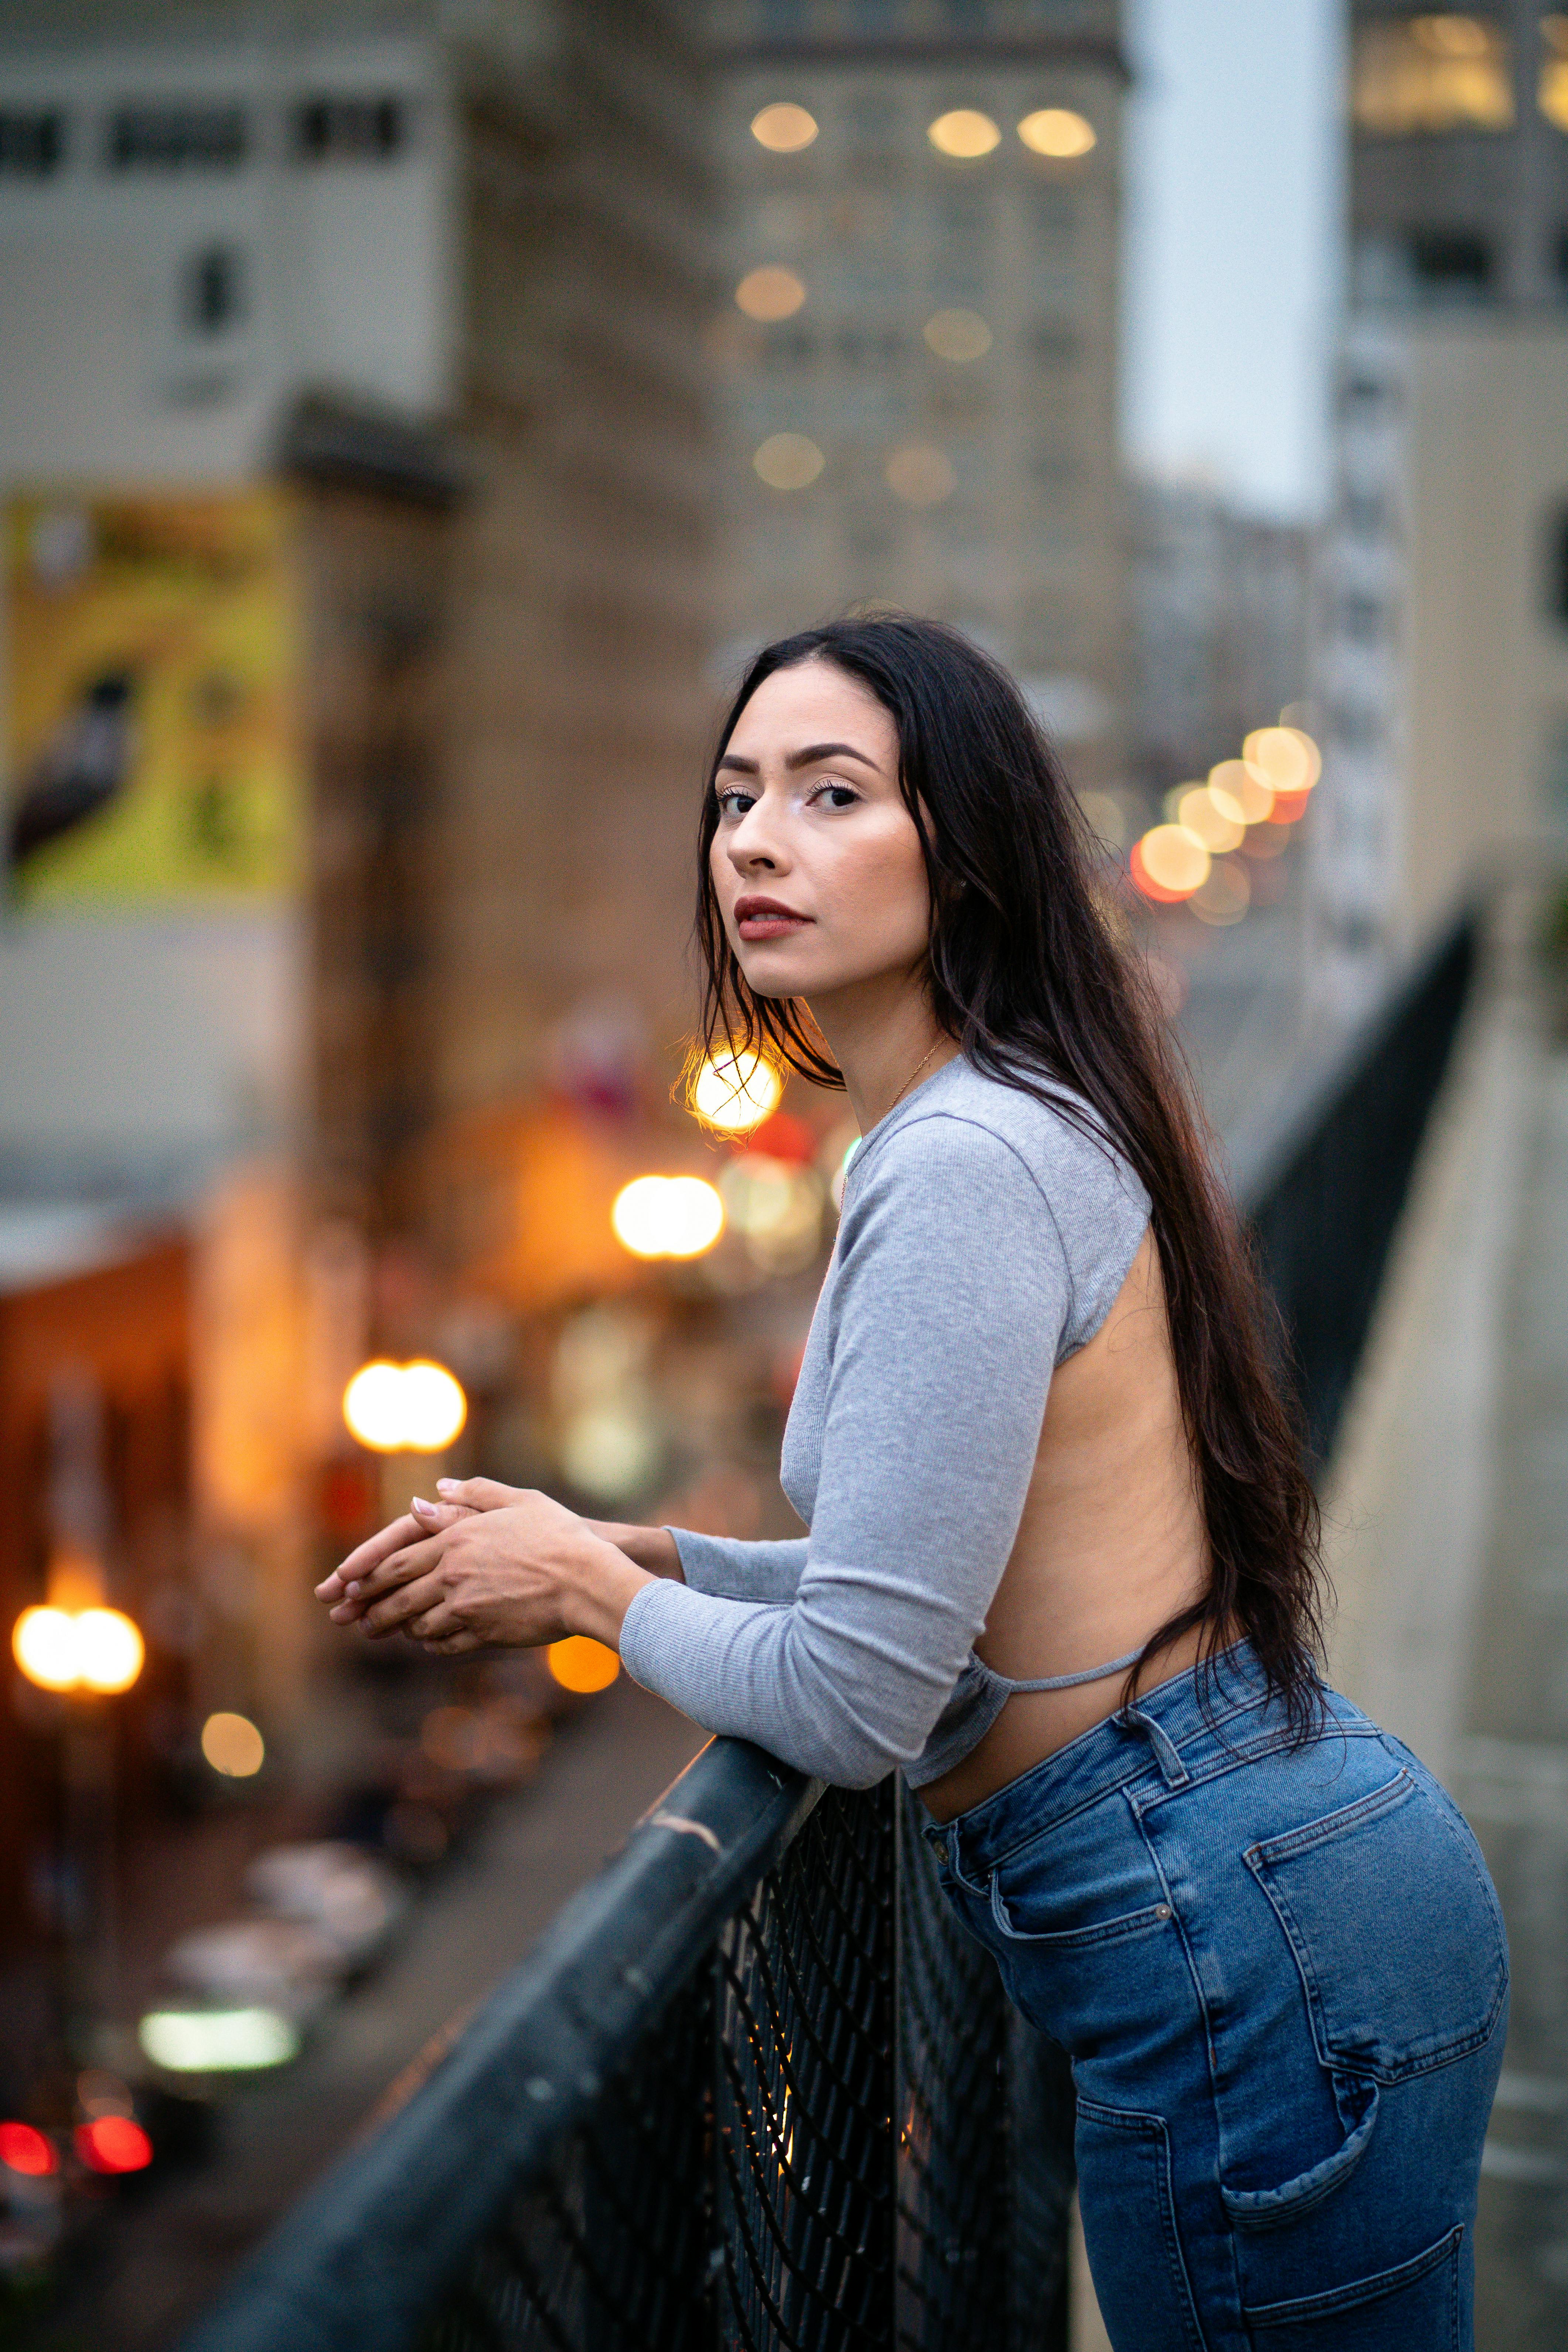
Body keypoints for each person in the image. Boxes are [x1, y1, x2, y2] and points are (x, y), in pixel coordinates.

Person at [316, 616, 1506, 2350]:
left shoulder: (955, 1160)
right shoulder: (1013, 1109)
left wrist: (588, 1593)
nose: (756, 840)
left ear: (964, 850)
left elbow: (865, 1695)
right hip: (1276, 1885)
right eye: (735, 798)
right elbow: (930, 1581)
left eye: (830, 793)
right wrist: (639, 1543)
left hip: (1240, 1943)